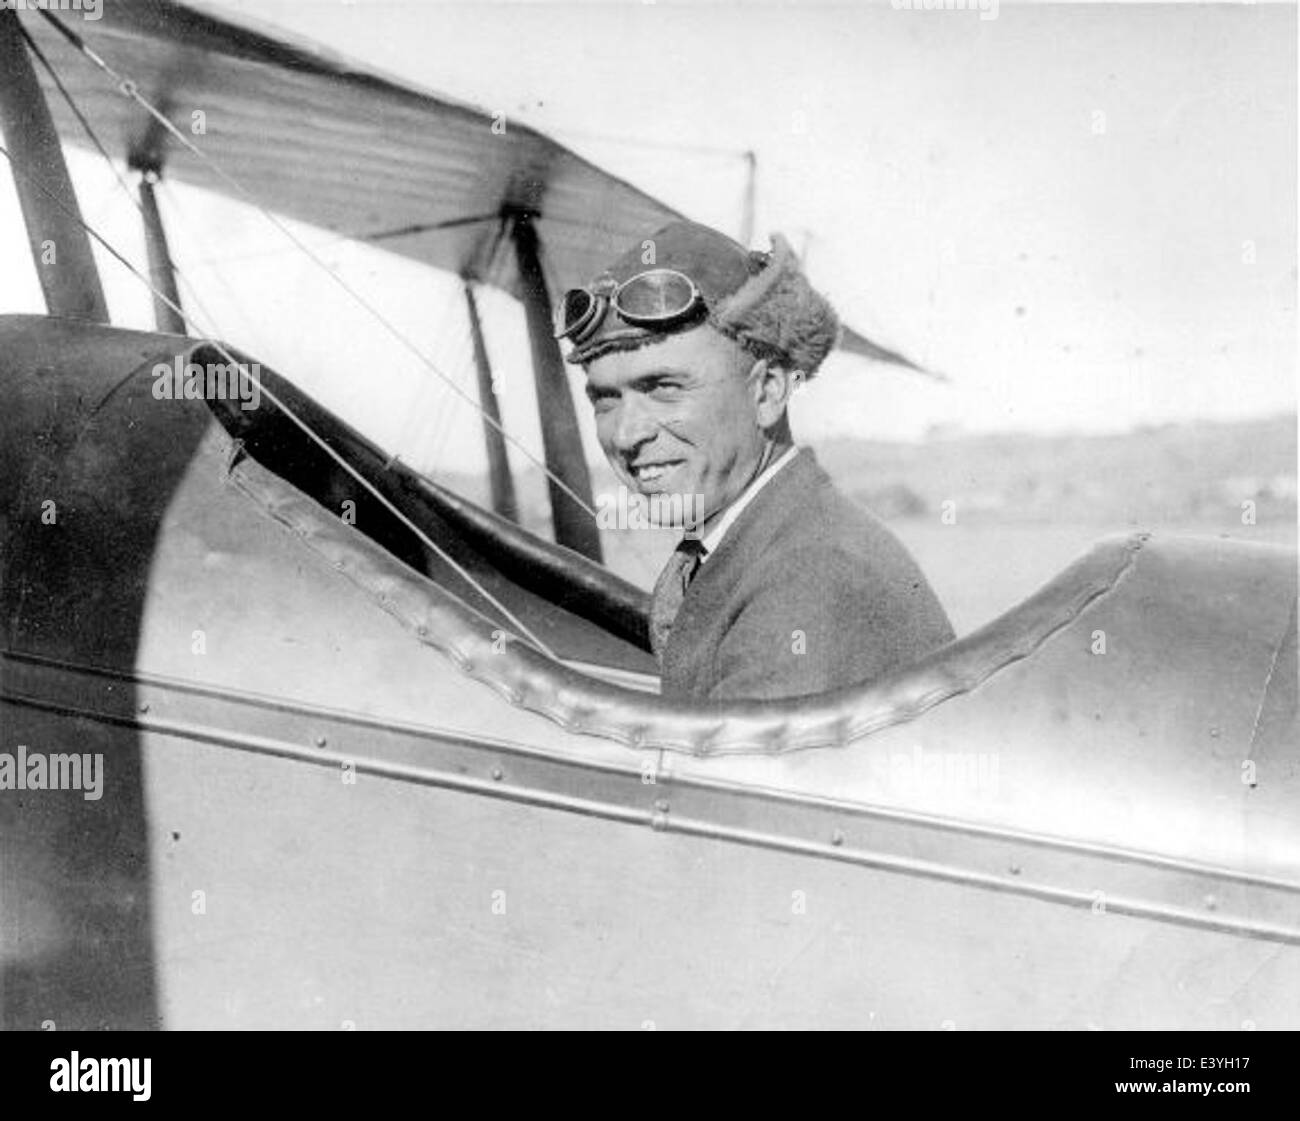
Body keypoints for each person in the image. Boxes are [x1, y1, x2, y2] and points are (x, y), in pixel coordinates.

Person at [556, 220, 954, 702]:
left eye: (663, 388)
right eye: (604, 400)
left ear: (768, 391)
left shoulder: (809, 578)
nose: (626, 433)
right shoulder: (761, 542)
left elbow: (727, 776)